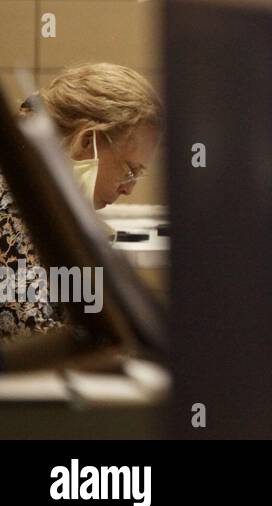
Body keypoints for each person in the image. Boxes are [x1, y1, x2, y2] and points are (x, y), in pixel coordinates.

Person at [1, 63, 161, 339]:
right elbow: (34, 338)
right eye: (129, 171)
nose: (129, 190)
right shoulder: (15, 212)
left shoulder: (43, 202)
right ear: (88, 141)